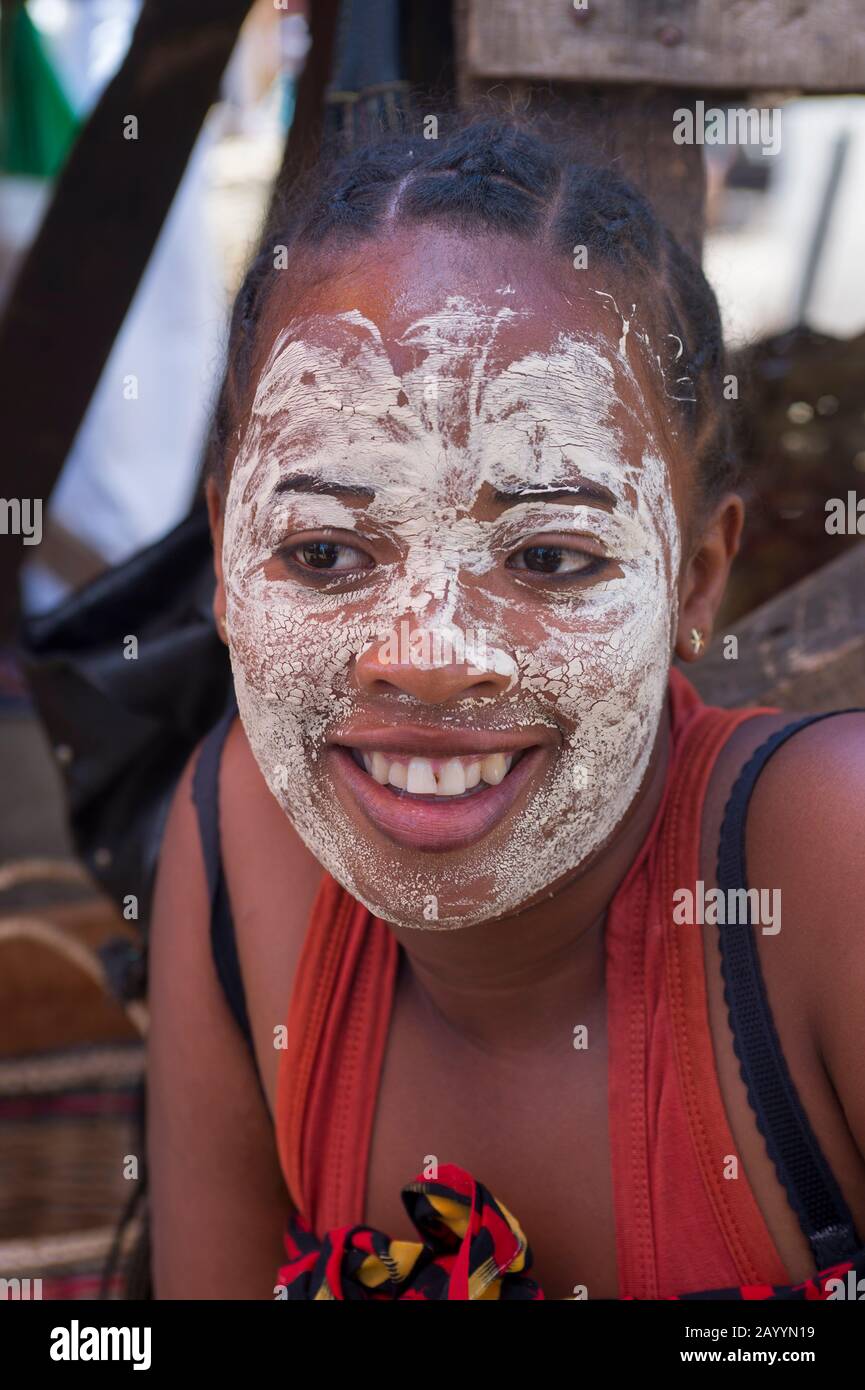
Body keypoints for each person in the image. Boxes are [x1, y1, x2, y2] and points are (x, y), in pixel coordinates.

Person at [145, 117, 865, 1301]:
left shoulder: (827, 874)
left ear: (692, 578)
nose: (428, 656)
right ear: (226, 558)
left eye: (548, 559)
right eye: (325, 551)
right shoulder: (239, 847)